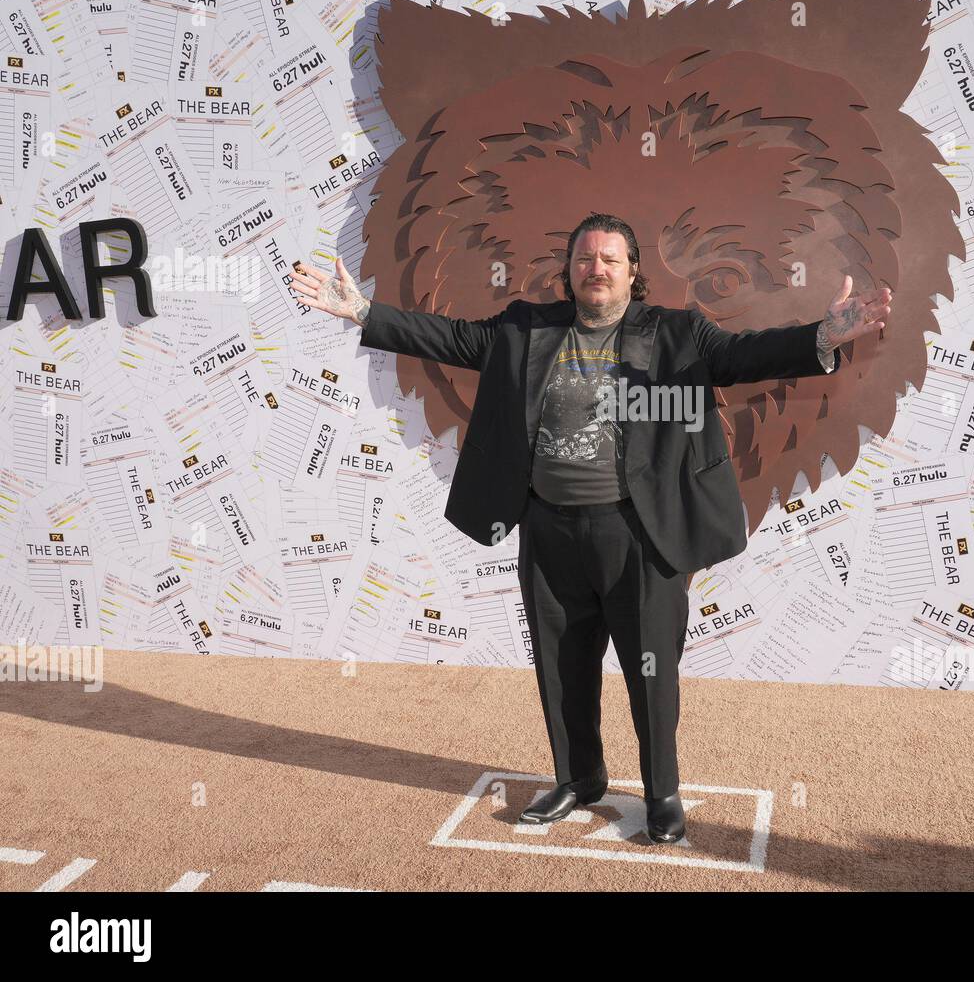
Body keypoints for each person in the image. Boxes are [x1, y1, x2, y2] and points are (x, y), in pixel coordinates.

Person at [291, 213, 890, 844]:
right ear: (569, 271)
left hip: (638, 535)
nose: (595, 269)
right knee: (561, 666)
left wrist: (824, 333)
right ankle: (579, 779)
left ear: (634, 271)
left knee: (650, 670)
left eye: (609, 259)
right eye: (584, 259)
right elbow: (450, 337)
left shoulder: (675, 333)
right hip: (549, 531)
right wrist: (363, 313)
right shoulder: (527, 328)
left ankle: (662, 793)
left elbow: (746, 356)